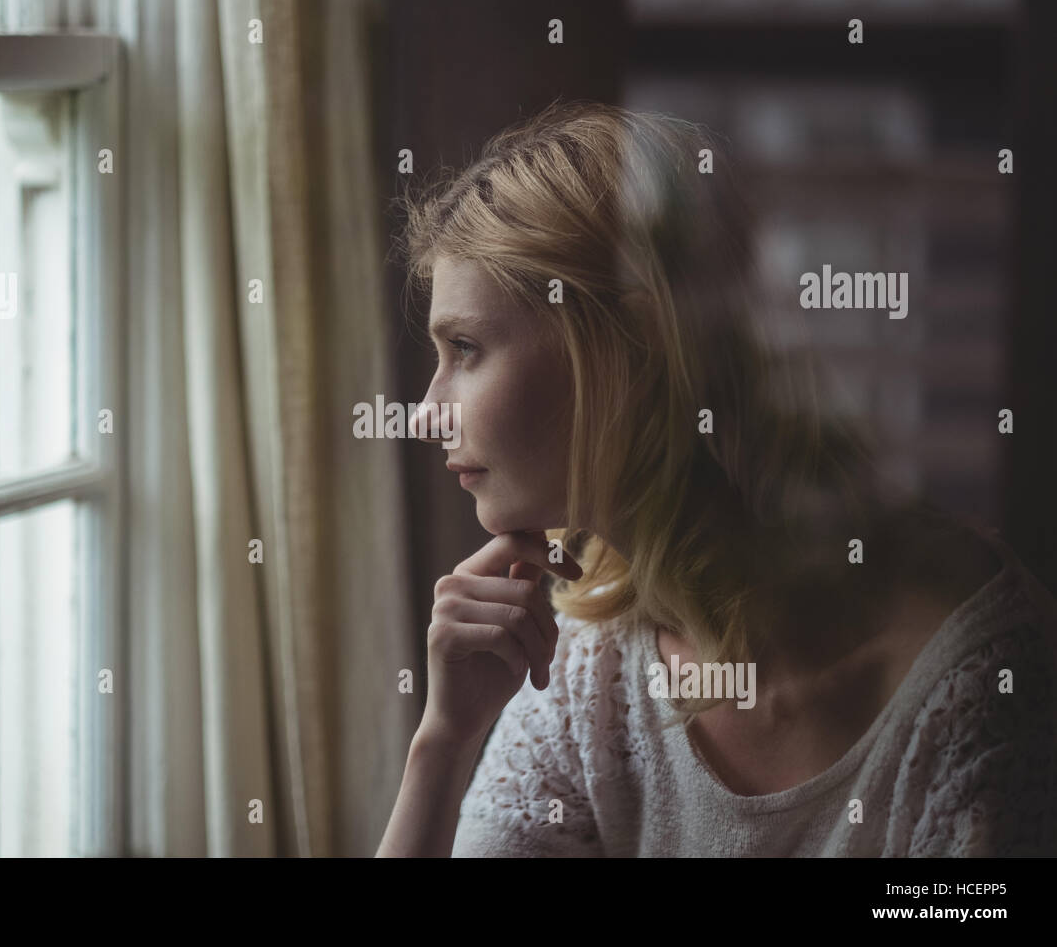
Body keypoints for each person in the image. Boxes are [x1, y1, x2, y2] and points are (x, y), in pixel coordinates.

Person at [375, 99, 1057, 857]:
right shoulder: (591, 659)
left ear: (634, 350)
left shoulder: (983, 690)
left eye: (465, 348)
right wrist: (440, 745)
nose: (426, 413)